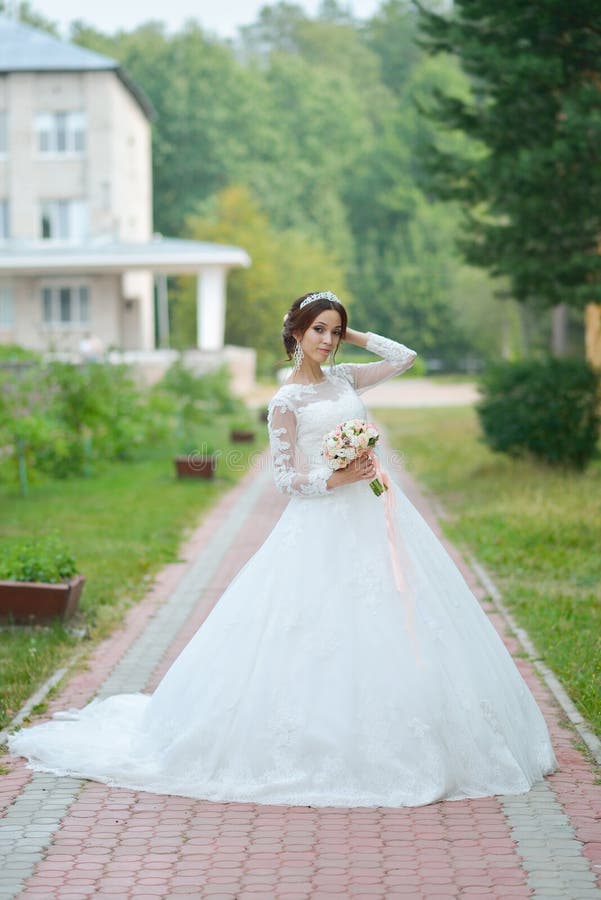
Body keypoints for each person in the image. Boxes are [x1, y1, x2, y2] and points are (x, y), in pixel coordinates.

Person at [9, 291, 556, 807]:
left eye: (334, 332)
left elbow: (406, 357)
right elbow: (286, 480)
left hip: (375, 513)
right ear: (295, 332)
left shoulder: (346, 378)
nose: (327, 340)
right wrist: (336, 479)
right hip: (321, 521)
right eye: (319, 329)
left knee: (399, 614)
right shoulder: (285, 401)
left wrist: (354, 331)